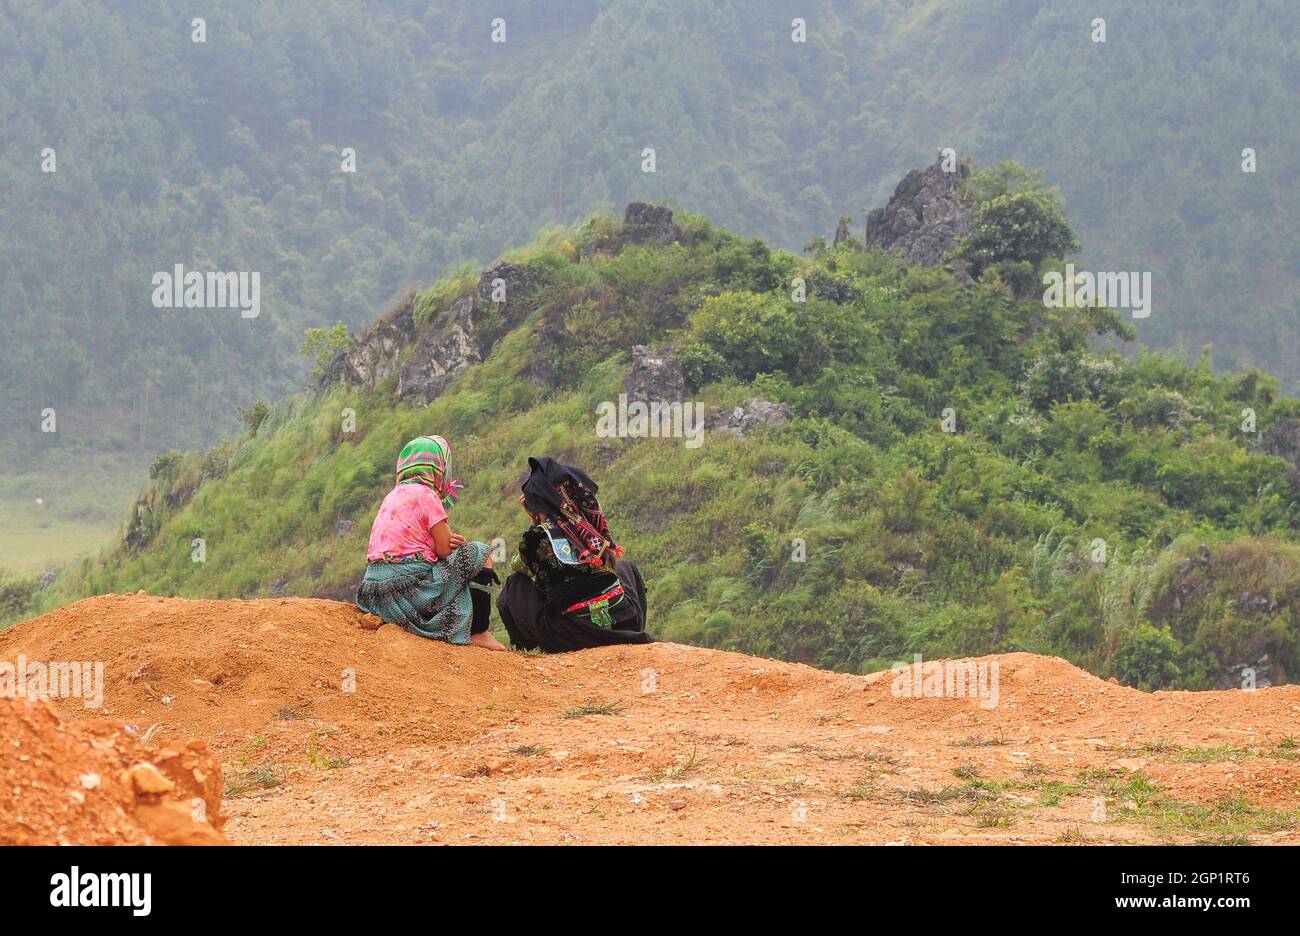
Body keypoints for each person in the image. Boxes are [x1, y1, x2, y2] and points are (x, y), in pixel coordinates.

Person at [355, 435, 506, 650]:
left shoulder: (391, 496)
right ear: (440, 469)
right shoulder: (427, 494)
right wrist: (453, 544)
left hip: (373, 594)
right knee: (480, 553)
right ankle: (479, 631)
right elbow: (444, 550)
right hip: (409, 591)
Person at [496, 456, 652, 652]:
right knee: (625, 567)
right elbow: (610, 562)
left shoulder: (536, 538)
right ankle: (631, 632)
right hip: (622, 618)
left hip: (570, 635)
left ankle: (528, 648)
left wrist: (535, 522)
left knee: (514, 584)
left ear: (538, 505)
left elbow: (518, 566)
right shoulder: (591, 525)